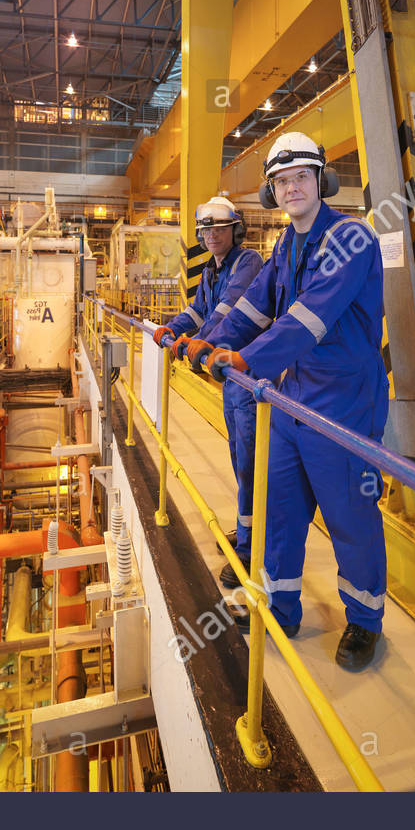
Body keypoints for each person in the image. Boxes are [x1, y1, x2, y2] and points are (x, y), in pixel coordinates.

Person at [186, 132, 389, 670]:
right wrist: (216, 340)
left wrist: (248, 360)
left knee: (349, 515)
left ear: (321, 180)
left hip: (342, 404)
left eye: (301, 176)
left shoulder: (352, 238)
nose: (292, 186)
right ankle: (280, 605)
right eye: (281, 180)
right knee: (281, 509)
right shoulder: (285, 247)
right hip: (292, 398)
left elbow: (310, 319)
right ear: (272, 191)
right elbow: (254, 307)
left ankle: (365, 621)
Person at [152, 196, 263, 579]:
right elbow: (199, 311)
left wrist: (199, 341)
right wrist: (172, 327)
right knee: (240, 460)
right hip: (230, 378)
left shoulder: (248, 262)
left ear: (236, 229)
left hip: (250, 378)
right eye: (206, 230)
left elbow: (226, 313)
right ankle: (248, 532)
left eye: (219, 228)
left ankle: (253, 551)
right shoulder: (212, 272)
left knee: (252, 465)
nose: (212, 235)